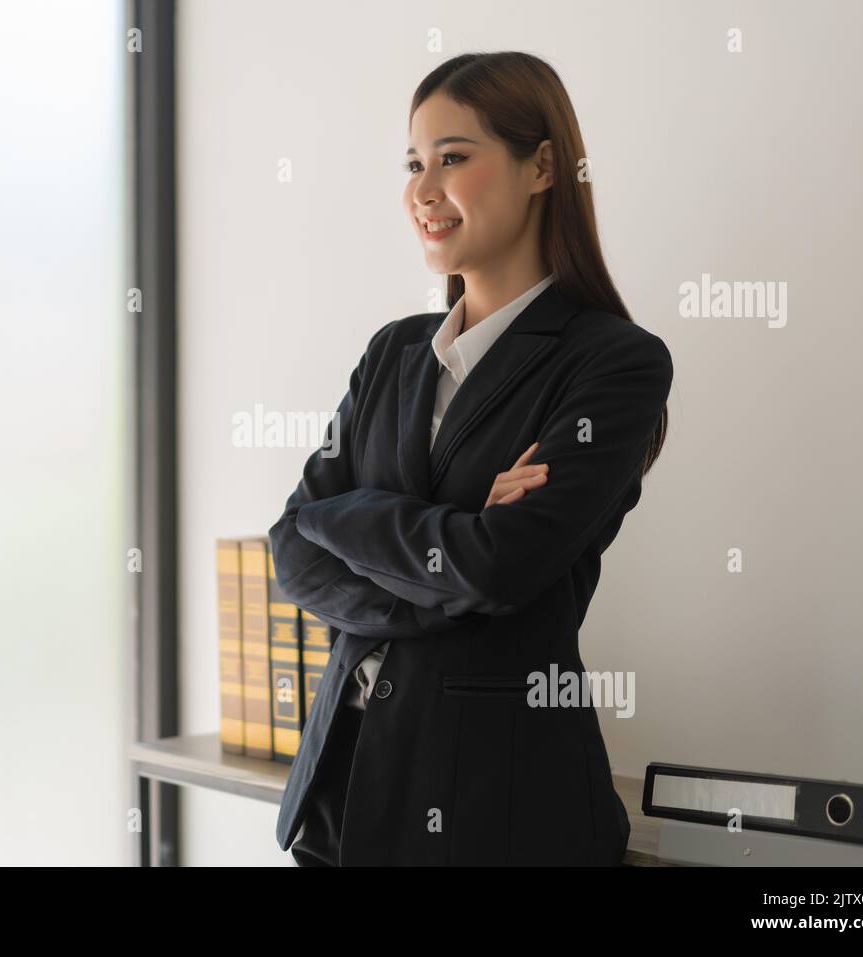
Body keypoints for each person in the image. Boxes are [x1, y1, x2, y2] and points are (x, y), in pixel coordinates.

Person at [272, 51, 673, 866]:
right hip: (338, 793)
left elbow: (502, 566)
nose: (424, 190)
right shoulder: (392, 353)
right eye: (414, 163)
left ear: (542, 166)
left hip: (497, 810)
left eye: (453, 158)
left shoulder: (612, 363)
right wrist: (451, 543)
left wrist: (345, 517)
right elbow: (293, 550)